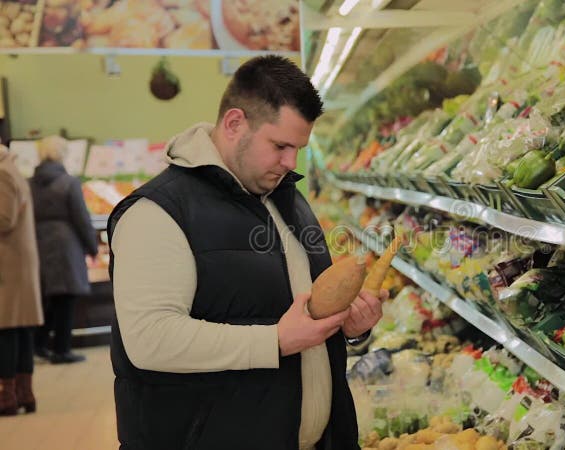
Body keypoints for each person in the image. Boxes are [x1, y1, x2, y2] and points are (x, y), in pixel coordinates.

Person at [108, 55, 384, 450]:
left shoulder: (288, 199)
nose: (291, 163)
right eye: (280, 146)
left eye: (299, 149)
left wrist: (352, 330)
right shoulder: (158, 212)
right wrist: (273, 341)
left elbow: (302, 315)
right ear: (235, 123)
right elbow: (149, 339)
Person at [29, 135, 99, 364]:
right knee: (66, 298)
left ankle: (39, 344)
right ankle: (62, 350)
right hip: (65, 243)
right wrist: (92, 246)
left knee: (48, 298)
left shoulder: (30, 183)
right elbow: (81, 218)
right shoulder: (69, 183)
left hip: (38, 243)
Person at [0, 144, 43, 415]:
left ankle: (8, 396)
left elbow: (4, 219)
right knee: (21, 328)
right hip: (16, 263)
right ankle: (25, 392)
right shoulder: (11, 170)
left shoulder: (3, 174)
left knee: (7, 329)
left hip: (9, 264)